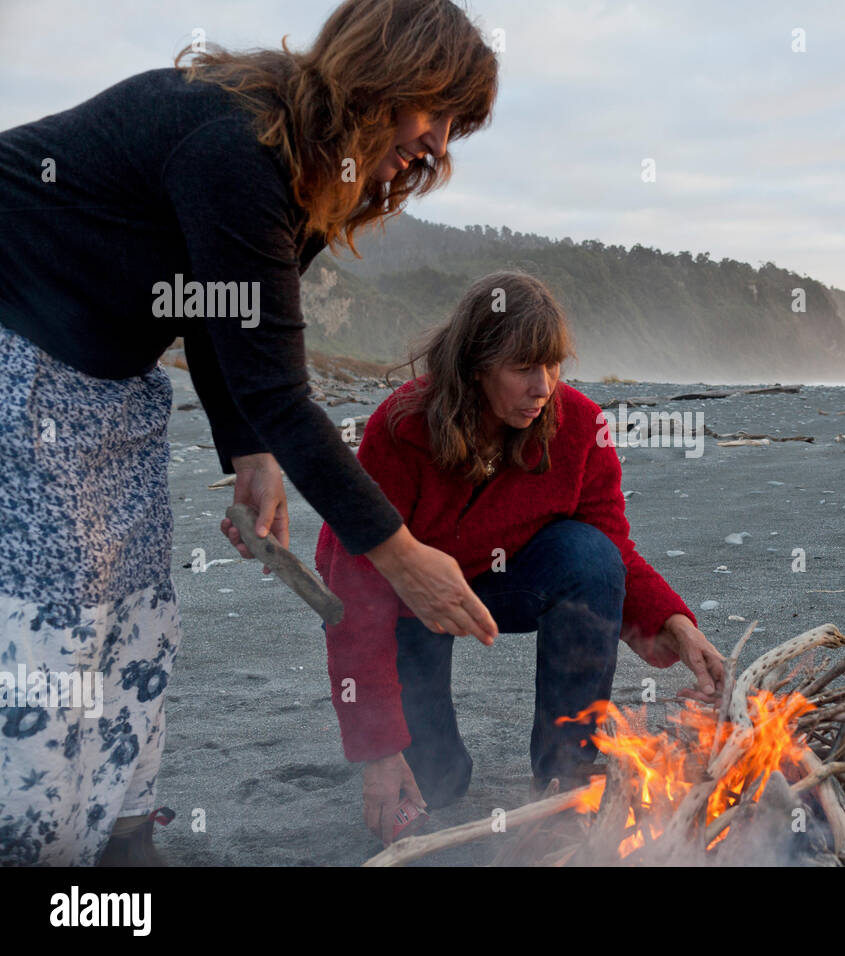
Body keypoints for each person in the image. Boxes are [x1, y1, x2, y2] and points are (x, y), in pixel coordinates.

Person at [0, 0, 500, 865]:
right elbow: (282, 392)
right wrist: (398, 551)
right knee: (57, 629)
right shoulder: (237, 143)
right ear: (388, 74)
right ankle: (35, 850)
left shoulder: (307, 177)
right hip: (22, 358)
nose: (439, 147)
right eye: (439, 112)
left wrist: (250, 456)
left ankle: (123, 844)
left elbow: (216, 314)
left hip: (110, 382)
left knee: (141, 617)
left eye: (457, 129)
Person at [315, 271, 727, 845]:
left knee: (590, 557)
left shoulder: (581, 426)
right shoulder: (403, 426)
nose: (544, 387)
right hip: (404, 590)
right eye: (523, 368)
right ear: (476, 365)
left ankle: (567, 773)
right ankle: (427, 765)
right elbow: (356, 590)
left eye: (553, 365)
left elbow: (613, 549)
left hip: (505, 578)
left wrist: (676, 625)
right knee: (436, 783)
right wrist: (380, 750)